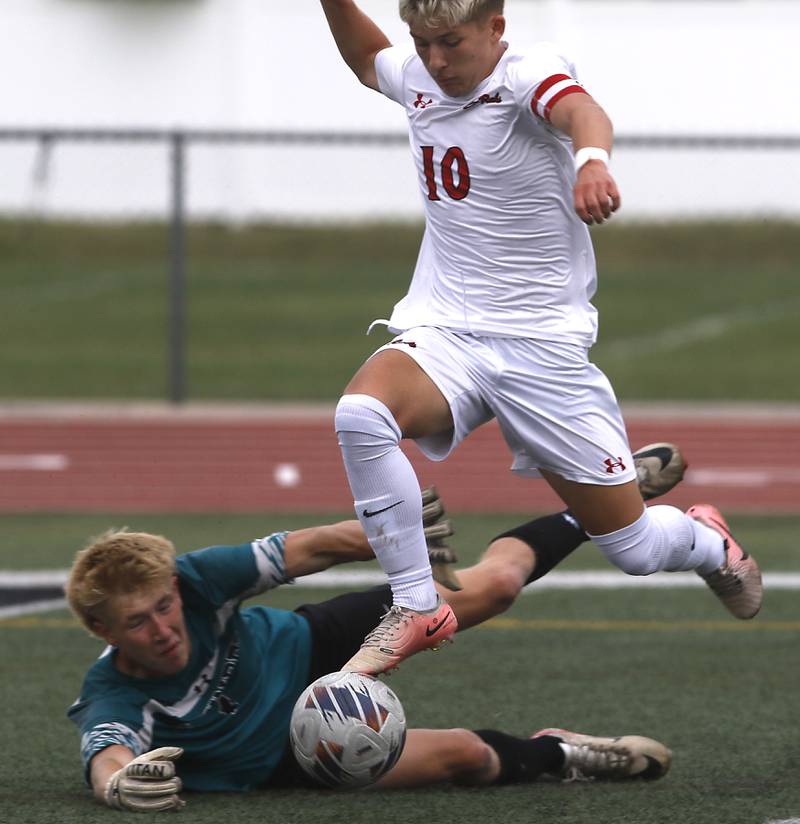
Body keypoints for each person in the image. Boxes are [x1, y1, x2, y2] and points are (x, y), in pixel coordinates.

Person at [319, 0, 763, 675]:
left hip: (540, 350)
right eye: (422, 42)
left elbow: (583, 111)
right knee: (361, 414)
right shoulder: (418, 75)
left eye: (451, 42)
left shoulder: (528, 72)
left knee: (636, 550)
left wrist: (592, 162)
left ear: (494, 28)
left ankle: (706, 542)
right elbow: (364, 58)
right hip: (446, 331)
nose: (435, 60)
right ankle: (415, 604)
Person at [64, 449, 683, 811]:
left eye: (163, 606)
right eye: (138, 622)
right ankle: (561, 752)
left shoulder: (193, 579)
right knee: (466, 755)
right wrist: (119, 784)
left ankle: (597, 503)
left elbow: (307, 548)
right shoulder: (112, 693)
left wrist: (390, 534)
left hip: (310, 643)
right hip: (289, 752)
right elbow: (108, 755)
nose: (163, 628)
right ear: (100, 627)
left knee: (493, 587)